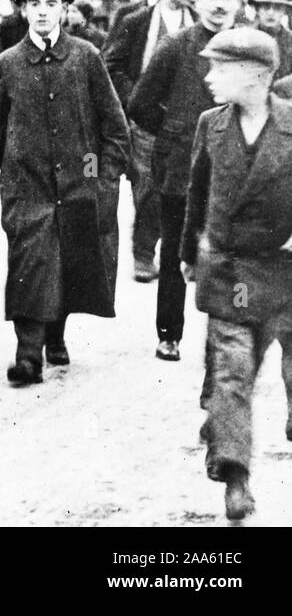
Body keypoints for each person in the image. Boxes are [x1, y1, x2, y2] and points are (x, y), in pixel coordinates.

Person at [0, 0, 129, 385]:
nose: (41, 12)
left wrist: (105, 178)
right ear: (21, 10)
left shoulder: (86, 57)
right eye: (33, 4)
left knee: (70, 263)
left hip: (78, 183)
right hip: (26, 184)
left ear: (64, 9)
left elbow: (115, 126)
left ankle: (56, 335)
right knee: (31, 261)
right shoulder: (9, 62)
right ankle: (28, 355)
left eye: (50, 4)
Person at [182, 28, 292, 520]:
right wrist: (190, 251)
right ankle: (235, 477)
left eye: (219, 68)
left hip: (285, 270)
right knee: (232, 374)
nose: (209, 78)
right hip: (231, 272)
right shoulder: (212, 124)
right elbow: (197, 191)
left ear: (255, 76)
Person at [129, 0, 249, 363]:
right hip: (181, 170)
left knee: (237, 256)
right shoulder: (178, 46)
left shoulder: (251, 47)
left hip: (238, 174)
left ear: (240, 3)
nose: (219, 5)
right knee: (175, 254)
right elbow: (141, 104)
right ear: (198, 1)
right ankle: (169, 334)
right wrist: (175, 135)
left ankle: (233, 332)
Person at [102, 0, 199, 283]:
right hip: (145, 123)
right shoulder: (136, 20)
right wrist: (134, 100)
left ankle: (182, 253)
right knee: (148, 189)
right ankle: (144, 255)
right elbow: (111, 65)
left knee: (182, 187)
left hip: (185, 124)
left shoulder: (199, 26)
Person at [245, 0, 292, 77]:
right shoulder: (245, 39)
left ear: (285, 12)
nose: (271, 13)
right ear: (257, 9)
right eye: (266, 7)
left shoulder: (290, 41)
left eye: (277, 8)